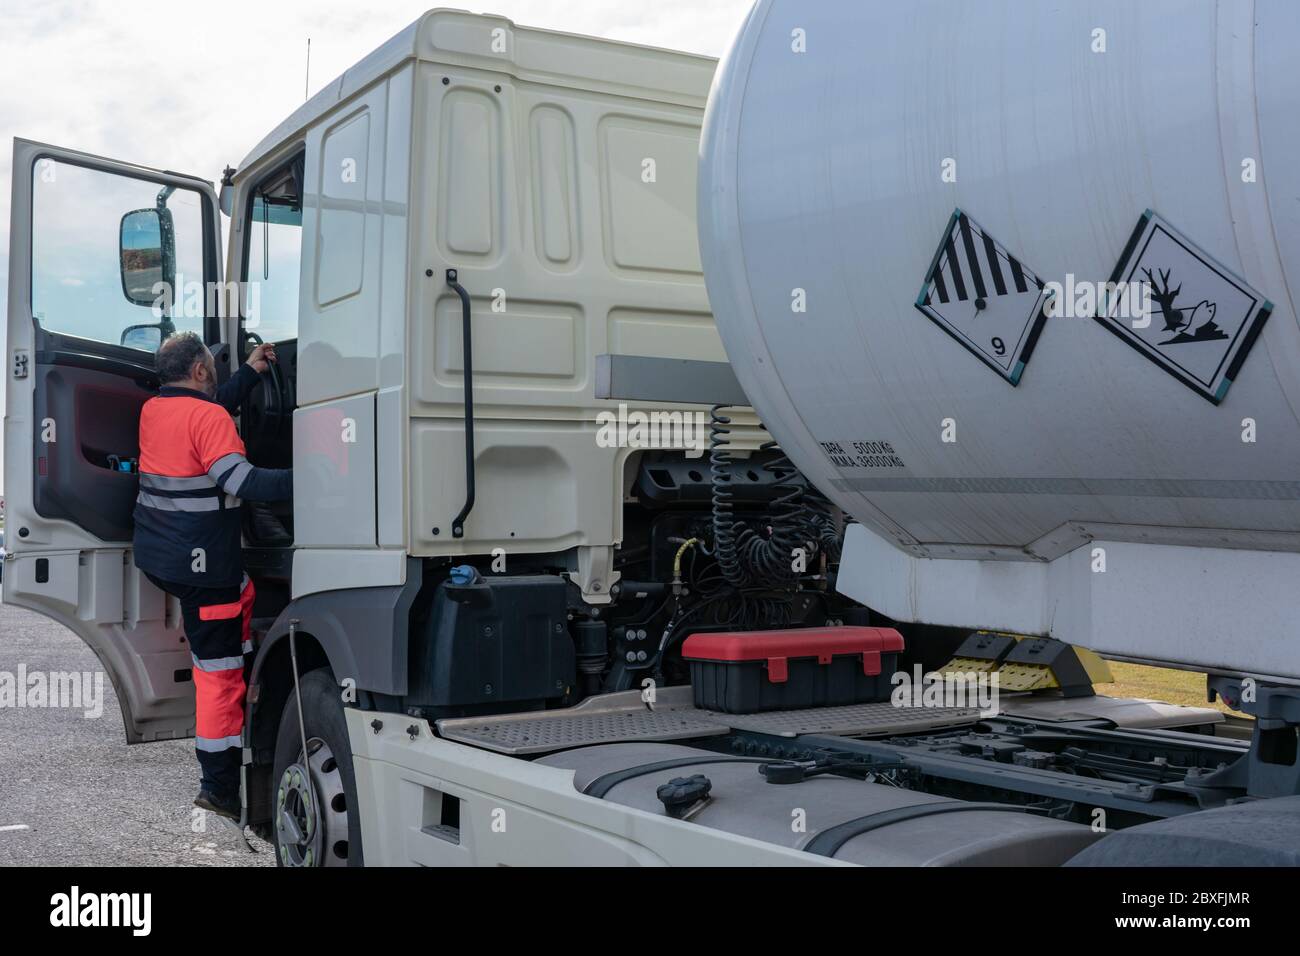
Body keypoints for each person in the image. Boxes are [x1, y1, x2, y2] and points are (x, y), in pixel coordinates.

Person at [133, 332, 292, 820]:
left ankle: (241, 658)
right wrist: (313, 470)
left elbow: (206, 412)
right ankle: (219, 786)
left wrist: (249, 373)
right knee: (218, 675)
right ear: (200, 371)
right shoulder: (209, 417)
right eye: (213, 366)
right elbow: (240, 480)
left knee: (244, 593)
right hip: (203, 568)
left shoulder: (157, 410)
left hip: (164, 558)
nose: (215, 372)